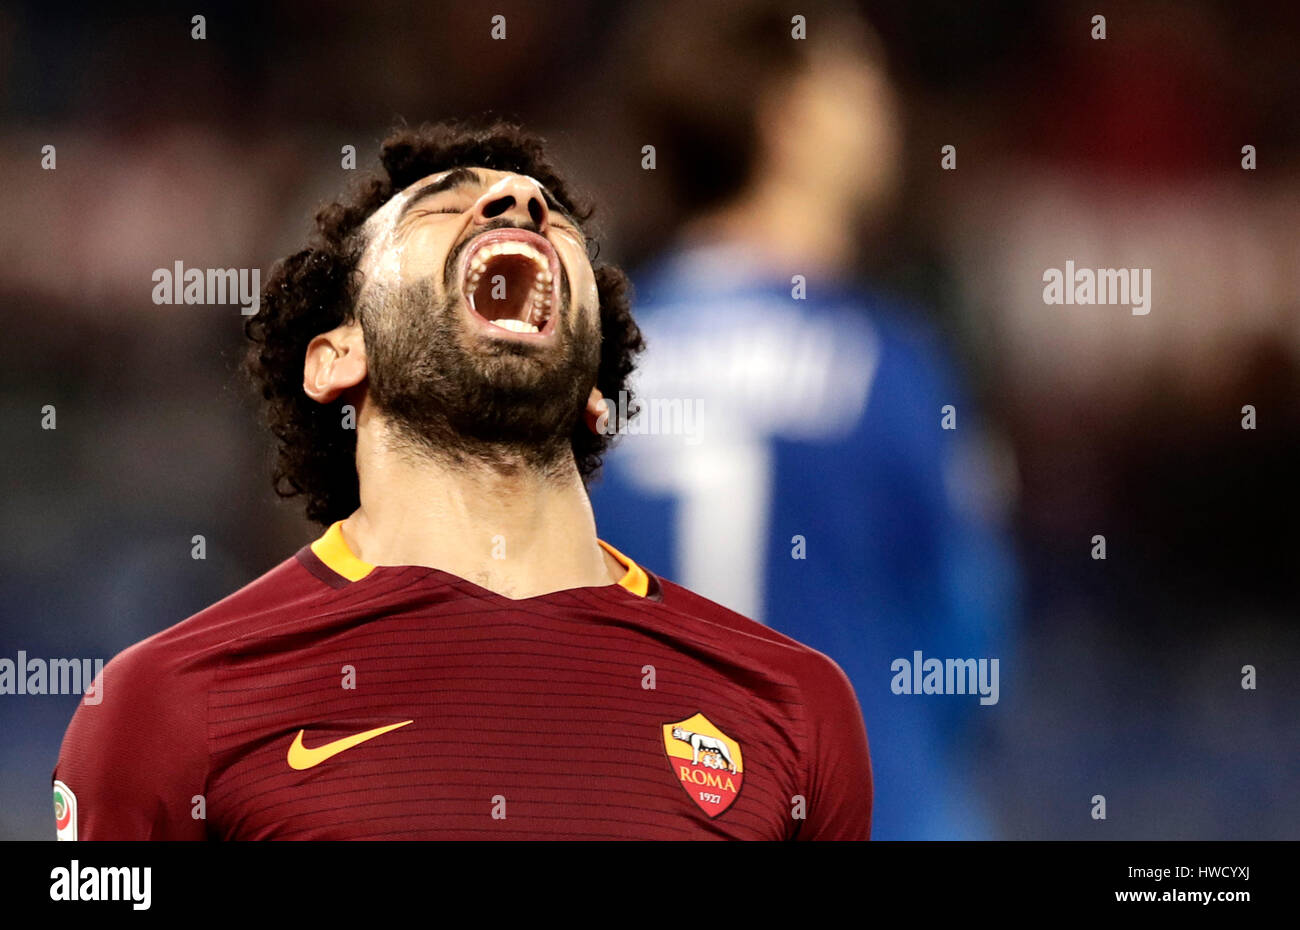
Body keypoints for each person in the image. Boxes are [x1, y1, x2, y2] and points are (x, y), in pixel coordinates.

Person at [51, 120, 871, 840]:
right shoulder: (165, 709)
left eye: (551, 216)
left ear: (595, 391)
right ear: (338, 355)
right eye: (445, 205)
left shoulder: (795, 709)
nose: (520, 203)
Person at [592, 0, 1019, 838]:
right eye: (855, 74)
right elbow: (969, 653)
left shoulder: (589, 367)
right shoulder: (887, 363)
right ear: (789, 118)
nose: (883, 101)